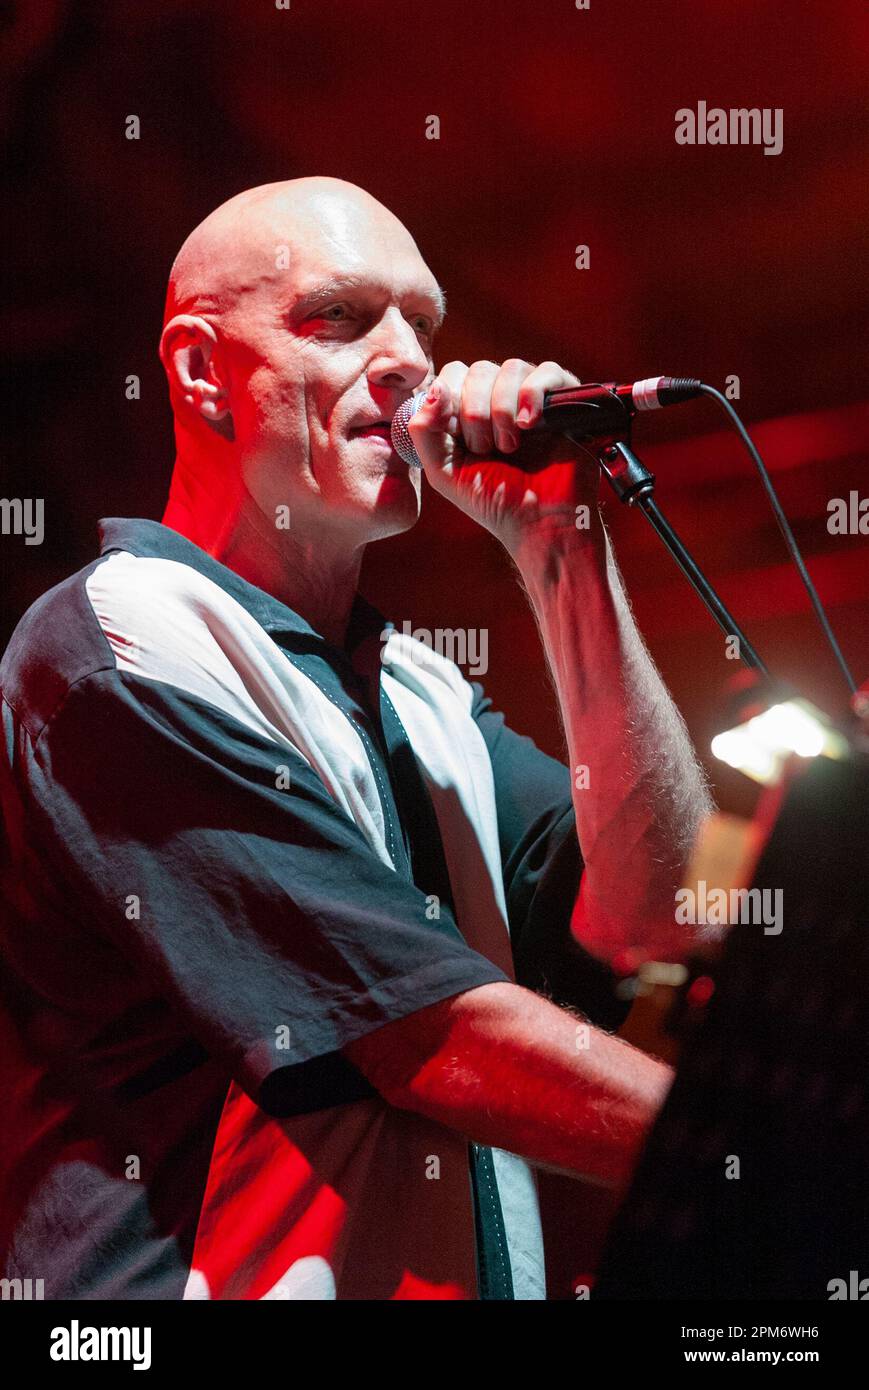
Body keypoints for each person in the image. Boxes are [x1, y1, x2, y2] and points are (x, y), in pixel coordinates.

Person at [0, 178, 711, 1300]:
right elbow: (427, 1038)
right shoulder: (121, 641)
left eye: (421, 323)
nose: (408, 363)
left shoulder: (427, 694)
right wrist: (754, 1153)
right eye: (338, 317)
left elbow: (658, 913)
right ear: (198, 371)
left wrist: (562, 552)